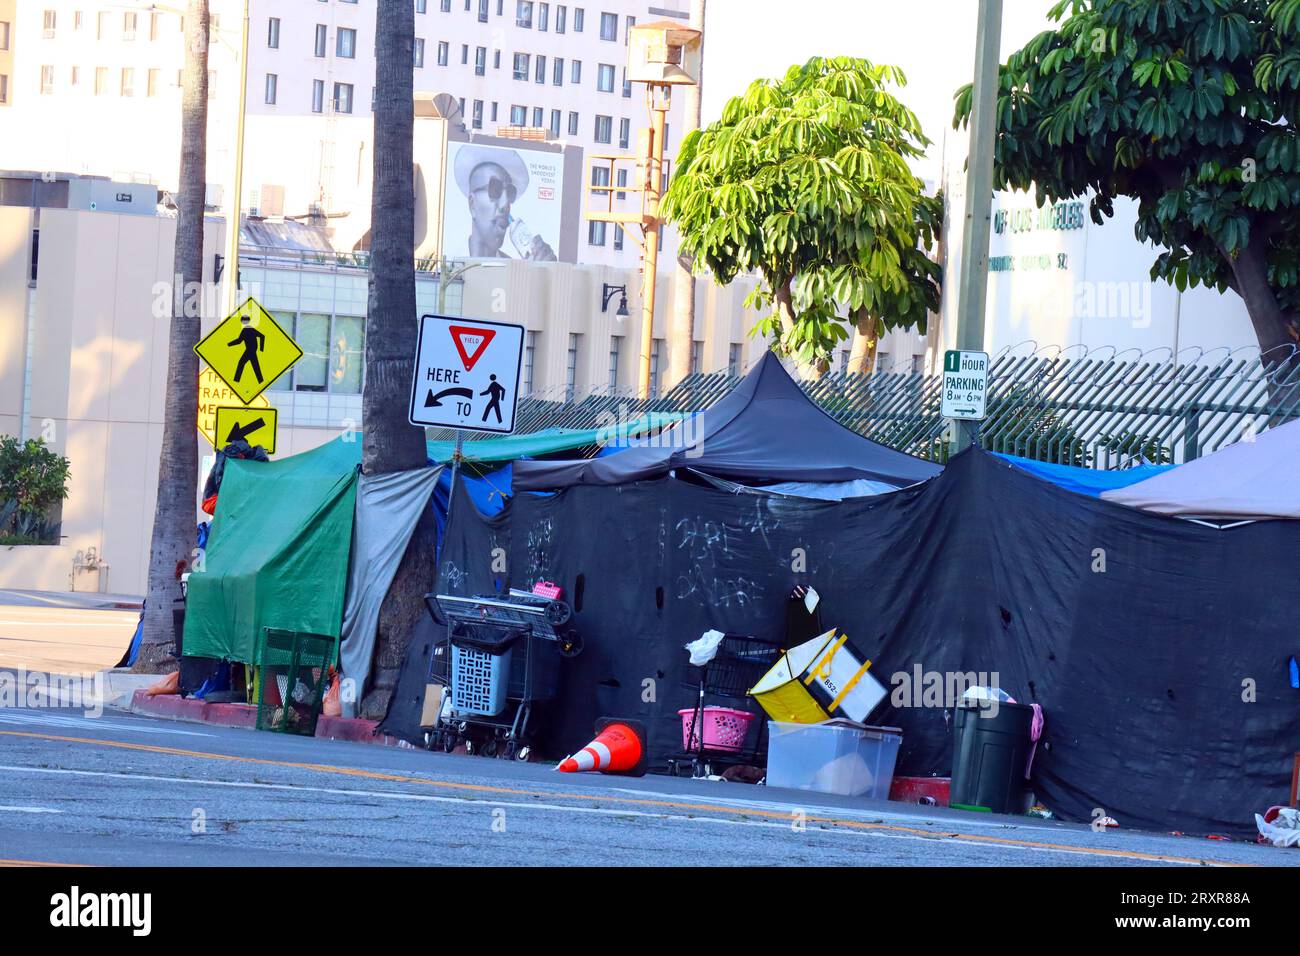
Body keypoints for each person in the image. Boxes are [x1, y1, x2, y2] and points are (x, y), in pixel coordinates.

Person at [453, 144, 557, 261]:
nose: (505, 204)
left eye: (510, 193)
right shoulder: (448, 262)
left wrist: (546, 272)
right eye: (495, 190)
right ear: (472, 204)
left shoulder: (514, 271)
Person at [229, 314, 265, 385]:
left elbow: (239, 341)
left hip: (249, 350)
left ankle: (236, 381)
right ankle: (260, 381)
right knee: (255, 367)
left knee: (241, 363)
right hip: (252, 350)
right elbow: (262, 336)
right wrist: (260, 349)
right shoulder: (250, 329)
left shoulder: (246, 329)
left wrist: (228, 344)